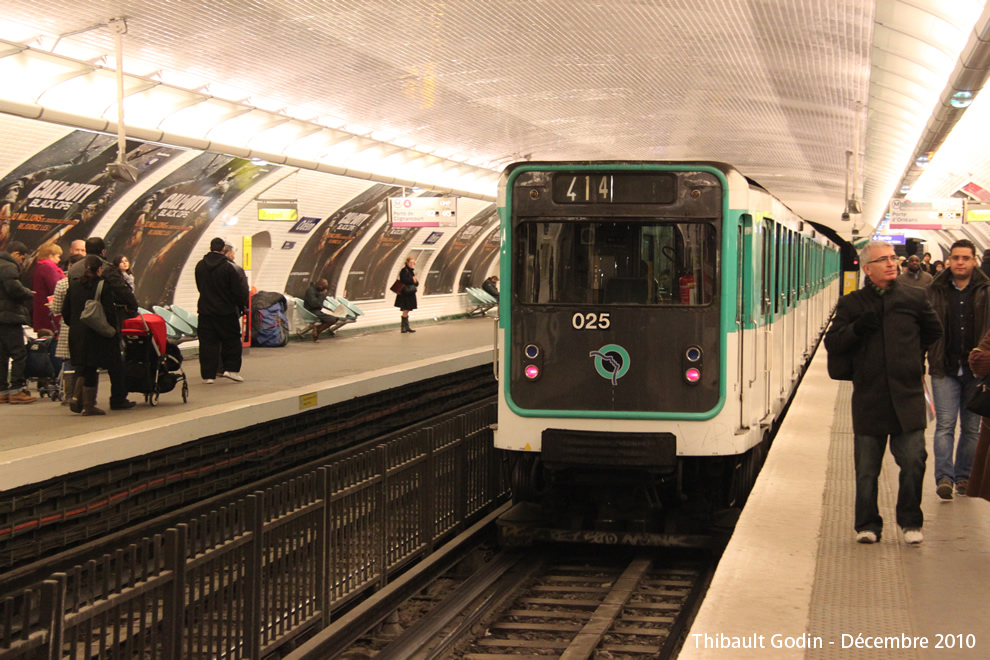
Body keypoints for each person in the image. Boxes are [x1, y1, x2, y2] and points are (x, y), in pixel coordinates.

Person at [824, 240, 942, 545]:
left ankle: (910, 521)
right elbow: (834, 343)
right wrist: (857, 329)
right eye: (884, 260)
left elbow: (934, 331)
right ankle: (868, 525)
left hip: (907, 395)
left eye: (893, 258)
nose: (892, 263)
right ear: (867, 269)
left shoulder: (914, 298)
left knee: (914, 460)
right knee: (866, 470)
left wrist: (911, 358)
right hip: (869, 397)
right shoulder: (852, 304)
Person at [925, 239, 990, 500]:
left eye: (965, 258)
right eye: (956, 258)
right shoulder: (934, 290)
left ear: (974, 260)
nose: (960, 262)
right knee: (945, 425)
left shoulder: (986, 290)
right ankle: (944, 478)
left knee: (972, 427)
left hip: (977, 371)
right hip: (944, 366)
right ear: (949, 260)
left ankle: (964, 477)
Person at [68, 237, 139, 410]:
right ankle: (117, 399)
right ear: (102, 252)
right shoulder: (106, 271)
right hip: (101, 325)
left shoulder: (73, 270)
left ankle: (78, 399)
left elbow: (68, 306)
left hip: (79, 324)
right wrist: (132, 307)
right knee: (116, 363)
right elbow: (120, 293)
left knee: (85, 365)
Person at [62, 255, 122, 415]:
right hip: (94, 333)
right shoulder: (103, 286)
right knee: (91, 366)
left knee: (82, 366)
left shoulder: (74, 285)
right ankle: (88, 405)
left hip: (76, 332)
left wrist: (74, 325)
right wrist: (111, 330)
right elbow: (109, 311)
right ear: (100, 269)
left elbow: (65, 310)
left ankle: (76, 398)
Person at [195, 237, 249, 383]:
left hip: (205, 311)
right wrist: (241, 306)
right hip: (226, 312)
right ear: (223, 250)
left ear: (210, 247)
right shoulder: (228, 267)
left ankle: (208, 376)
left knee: (207, 344)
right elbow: (237, 291)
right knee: (231, 341)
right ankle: (231, 370)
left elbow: (200, 287)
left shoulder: (200, 265)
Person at [0, 241, 37, 404]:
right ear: (16, 254)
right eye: (22, 259)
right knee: (18, 353)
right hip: (9, 316)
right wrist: (28, 293)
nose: (22, 262)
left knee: (1, 355)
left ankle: (2, 391)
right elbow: (13, 288)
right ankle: (16, 390)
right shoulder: (8, 266)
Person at [50, 253, 84, 406]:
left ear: (69, 266)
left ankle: (69, 395)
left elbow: (56, 308)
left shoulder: (62, 284)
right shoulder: (90, 283)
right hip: (87, 326)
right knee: (84, 362)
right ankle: (83, 396)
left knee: (69, 361)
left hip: (68, 326)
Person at [32, 243, 65, 333]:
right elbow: (56, 288)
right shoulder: (48, 268)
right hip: (50, 311)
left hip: (42, 309)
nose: (59, 259)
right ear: (50, 256)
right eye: (58, 256)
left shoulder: (39, 267)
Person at [303, 278, 346, 342]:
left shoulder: (317, 291)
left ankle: (317, 329)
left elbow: (320, 303)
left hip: (317, 310)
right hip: (311, 311)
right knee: (332, 319)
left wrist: (329, 309)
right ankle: (317, 331)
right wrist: (322, 295)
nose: (324, 290)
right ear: (320, 286)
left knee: (336, 318)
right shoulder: (311, 291)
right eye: (323, 288)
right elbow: (315, 304)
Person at [395, 256, 418, 333]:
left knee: (407, 309)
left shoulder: (411, 271)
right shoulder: (404, 271)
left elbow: (416, 283)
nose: (412, 264)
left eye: (413, 263)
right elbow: (404, 280)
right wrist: (413, 280)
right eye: (410, 262)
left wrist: (414, 280)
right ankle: (403, 327)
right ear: (407, 263)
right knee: (405, 309)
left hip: (410, 293)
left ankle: (406, 326)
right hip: (405, 293)